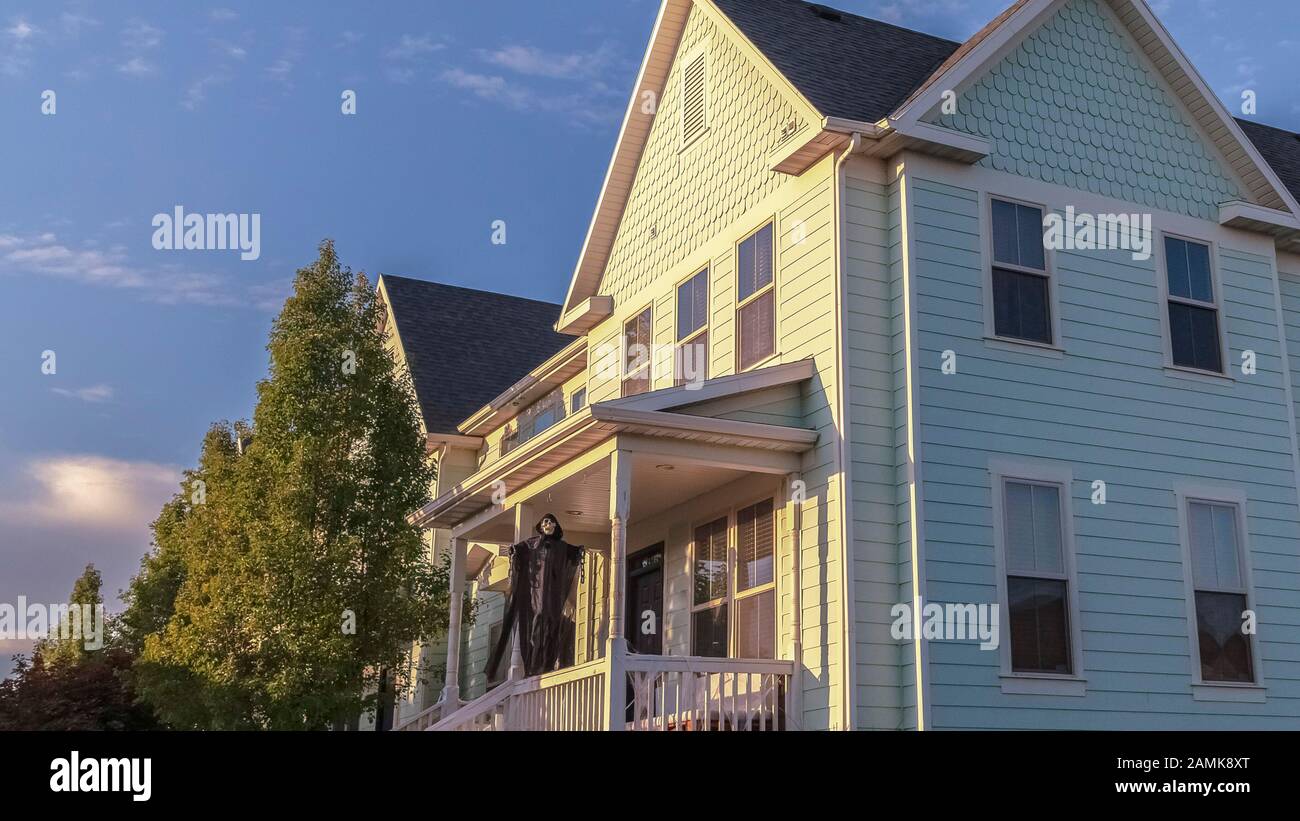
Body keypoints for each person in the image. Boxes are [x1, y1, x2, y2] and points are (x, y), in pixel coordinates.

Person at [486, 513, 585, 680]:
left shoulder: (561, 547)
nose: (548, 524)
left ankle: (546, 663)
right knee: (536, 624)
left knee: (552, 625)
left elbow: (572, 552)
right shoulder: (532, 545)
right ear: (540, 525)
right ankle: (533, 664)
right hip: (536, 594)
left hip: (553, 595)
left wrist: (578, 551)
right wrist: (514, 550)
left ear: (555, 526)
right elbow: (519, 549)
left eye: (551, 522)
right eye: (545, 521)